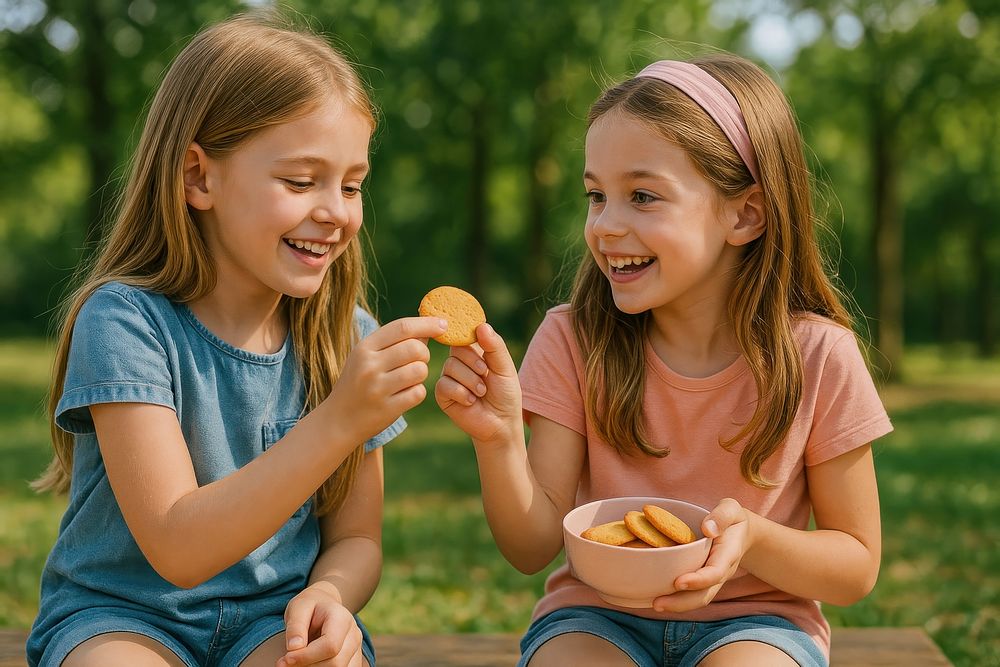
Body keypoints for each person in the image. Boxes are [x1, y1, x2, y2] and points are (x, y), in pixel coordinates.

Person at [436, 53, 892, 667]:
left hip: (759, 622)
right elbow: (530, 547)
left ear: (745, 214)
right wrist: (496, 443)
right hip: (594, 618)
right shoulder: (573, 340)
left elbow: (856, 566)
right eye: (596, 195)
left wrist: (752, 539)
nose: (605, 225)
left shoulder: (820, 355)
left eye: (642, 195)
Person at [27, 13, 446, 667]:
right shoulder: (125, 322)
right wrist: (340, 419)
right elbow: (178, 546)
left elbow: (357, 538)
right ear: (199, 176)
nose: (337, 210)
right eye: (301, 181)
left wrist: (333, 593)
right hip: (125, 616)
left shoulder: (344, 338)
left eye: (352, 184)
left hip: (270, 620)